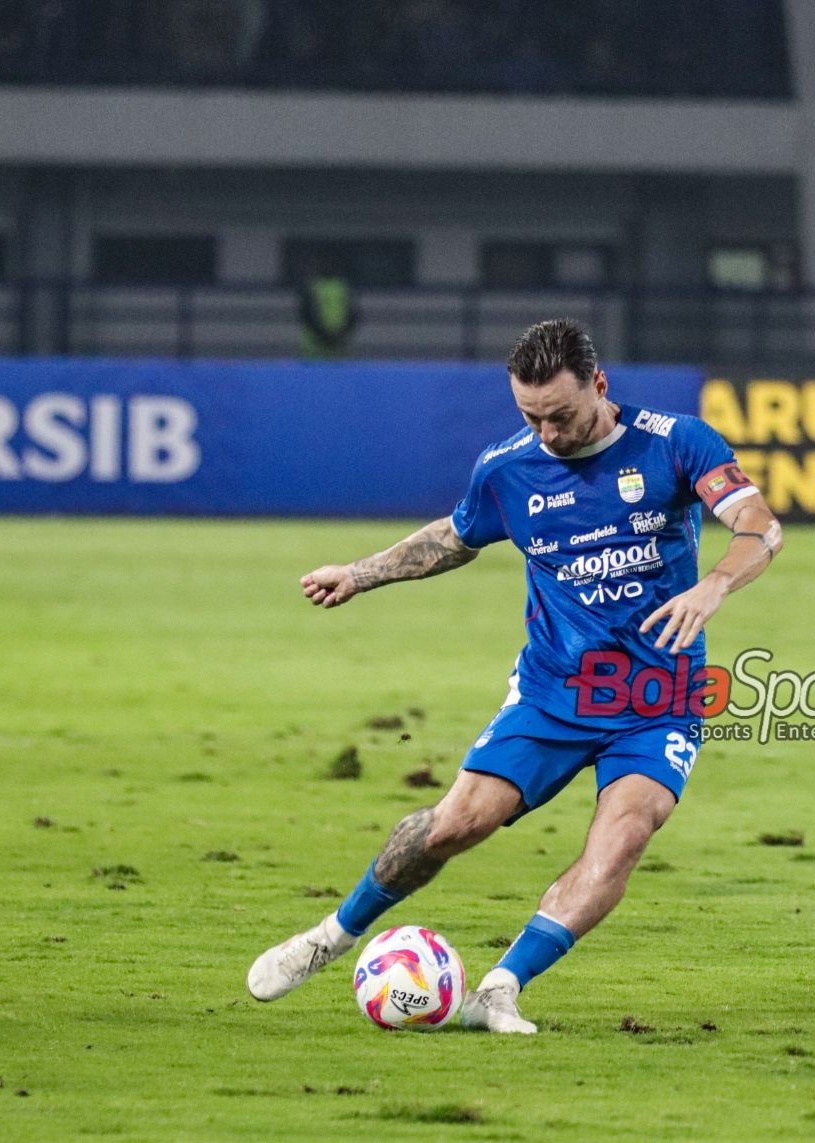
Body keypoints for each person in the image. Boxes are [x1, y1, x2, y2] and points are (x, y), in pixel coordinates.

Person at [247, 317, 783, 1032]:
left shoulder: (676, 443)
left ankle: (500, 988)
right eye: (531, 417)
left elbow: (760, 524)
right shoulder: (508, 468)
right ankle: (328, 938)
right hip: (554, 691)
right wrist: (359, 573)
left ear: (599, 385)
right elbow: (455, 536)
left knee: (623, 835)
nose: (549, 434)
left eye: (560, 415)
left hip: (660, 699)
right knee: (455, 826)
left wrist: (713, 585)